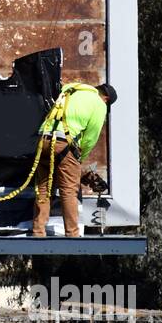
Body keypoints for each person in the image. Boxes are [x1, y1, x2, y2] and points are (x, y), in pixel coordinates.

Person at [31, 82, 116, 237]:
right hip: (64, 143)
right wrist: (79, 159)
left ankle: (38, 232)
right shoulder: (99, 104)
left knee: (43, 188)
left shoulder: (72, 89)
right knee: (69, 190)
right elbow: (90, 138)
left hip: (43, 139)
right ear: (106, 98)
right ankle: (72, 234)